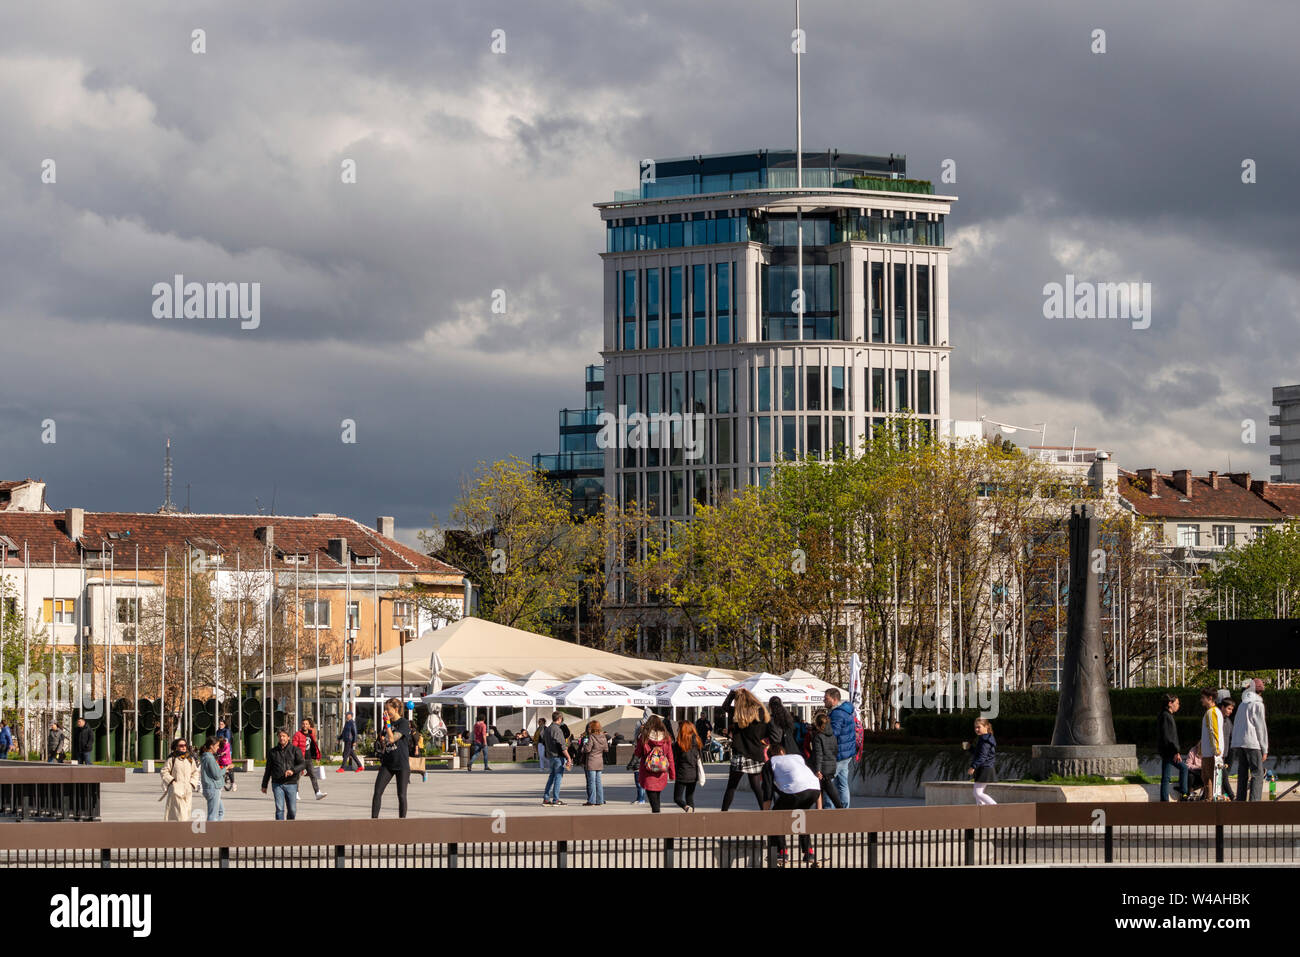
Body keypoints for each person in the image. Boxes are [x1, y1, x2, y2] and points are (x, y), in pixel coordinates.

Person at [768, 741, 822, 866]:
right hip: (814, 791)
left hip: (796, 791)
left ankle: (782, 852)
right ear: (782, 751)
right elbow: (812, 778)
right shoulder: (798, 758)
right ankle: (809, 853)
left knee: (776, 817)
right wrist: (820, 808)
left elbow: (767, 791)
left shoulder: (771, 762)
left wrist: (766, 813)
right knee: (800, 816)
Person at [721, 689, 771, 812]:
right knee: (756, 786)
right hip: (756, 753)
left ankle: (724, 812)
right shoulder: (761, 712)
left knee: (731, 786)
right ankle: (764, 810)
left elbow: (725, 707)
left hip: (741, 754)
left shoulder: (738, 713)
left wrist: (731, 695)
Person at [371, 698, 412, 819]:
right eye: (385, 709)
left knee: (401, 795)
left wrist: (387, 724)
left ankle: (402, 822)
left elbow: (393, 738)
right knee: (377, 792)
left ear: (396, 709)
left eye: (388, 709)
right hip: (388, 763)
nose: (386, 712)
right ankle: (374, 820)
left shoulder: (404, 723)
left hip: (401, 764)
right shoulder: (386, 724)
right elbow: (385, 740)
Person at [1233, 679, 1269, 801]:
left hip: (1240, 743)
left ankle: (1240, 801)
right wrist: (1264, 748)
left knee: (1242, 774)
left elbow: (1237, 724)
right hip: (1253, 743)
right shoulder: (1258, 704)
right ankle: (1254, 805)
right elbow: (1261, 728)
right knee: (1257, 774)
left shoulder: (1242, 704)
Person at [262, 729, 306, 820]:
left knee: (292, 810)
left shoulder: (295, 750)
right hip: (277, 784)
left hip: (291, 783)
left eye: (284, 736)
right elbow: (268, 769)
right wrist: (264, 785)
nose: (282, 738)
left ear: (288, 737)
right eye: (280, 736)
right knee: (279, 809)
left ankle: (289, 828)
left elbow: (302, 764)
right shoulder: (272, 752)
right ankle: (280, 830)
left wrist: (292, 771)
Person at [635, 715, 676, 813]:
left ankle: (657, 818)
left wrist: (638, 738)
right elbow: (670, 757)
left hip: (648, 772)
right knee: (657, 796)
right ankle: (657, 815)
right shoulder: (666, 738)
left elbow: (638, 753)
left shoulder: (644, 737)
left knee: (653, 799)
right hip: (661, 772)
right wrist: (672, 774)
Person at [824, 688, 856, 808]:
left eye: (826, 699)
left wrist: (820, 731)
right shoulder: (845, 711)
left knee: (828, 782)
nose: (824, 701)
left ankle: (829, 809)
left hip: (839, 753)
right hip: (846, 752)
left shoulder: (837, 713)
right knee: (842, 783)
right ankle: (844, 809)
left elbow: (834, 733)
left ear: (835, 699)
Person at [1157, 694, 1189, 802]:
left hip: (1167, 750)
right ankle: (1184, 793)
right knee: (1183, 768)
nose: (1178, 706)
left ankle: (1164, 799)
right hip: (1169, 751)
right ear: (1170, 703)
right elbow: (1169, 736)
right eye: (1177, 703)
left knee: (1166, 776)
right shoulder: (1166, 716)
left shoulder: (1165, 715)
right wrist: (1176, 751)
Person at [808, 711, 842, 809]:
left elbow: (818, 755)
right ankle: (820, 809)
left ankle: (838, 808)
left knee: (827, 788)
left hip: (822, 767)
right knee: (823, 787)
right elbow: (835, 750)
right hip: (831, 765)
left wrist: (818, 769)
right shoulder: (833, 736)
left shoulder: (818, 737)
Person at [161, 737, 199, 822]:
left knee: (186, 812)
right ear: (176, 747)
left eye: (185, 745)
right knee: (181, 815)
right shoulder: (172, 758)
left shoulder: (190, 758)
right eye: (181, 745)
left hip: (188, 790)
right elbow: (164, 771)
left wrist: (192, 783)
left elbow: (195, 772)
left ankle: (180, 831)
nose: (184, 747)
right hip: (176, 790)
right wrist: (172, 782)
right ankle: (183, 831)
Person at [292, 719, 327, 801]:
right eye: (303, 724)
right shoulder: (297, 734)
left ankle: (317, 793)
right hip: (300, 760)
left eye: (306, 724)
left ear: (309, 726)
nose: (304, 725)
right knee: (297, 777)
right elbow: (294, 747)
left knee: (313, 776)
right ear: (301, 725)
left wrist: (317, 757)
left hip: (309, 759)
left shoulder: (311, 734)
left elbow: (314, 747)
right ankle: (295, 793)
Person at [672, 720, 703, 812]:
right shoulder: (697, 742)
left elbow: (674, 758)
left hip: (682, 774)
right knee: (690, 797)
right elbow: (700, 758)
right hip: (693, 774)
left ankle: (686, 807)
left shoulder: (679, 744)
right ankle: (692, 815)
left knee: (677, 798)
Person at [1199, 688, 1225, 802]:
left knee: (1209, 778)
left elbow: (1213, 731)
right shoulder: (1211, 712)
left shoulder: (1212, 712)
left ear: (1210, 698)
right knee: (1207, 778)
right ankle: (1208, 799)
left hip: (1211, 753)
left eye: (1203, 698)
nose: (1201, 700)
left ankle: (1209, 801)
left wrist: (1216, 749)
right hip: (1208, 751)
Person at [541, 710, 570, 806]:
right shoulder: (557, 729)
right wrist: (568, 757)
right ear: (560, 719)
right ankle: (556, 799)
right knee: (558, 777)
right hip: (558, 756)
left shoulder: (547, 729)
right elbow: (562, 745)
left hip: (550, 756)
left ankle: (546, 798)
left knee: (551, 777)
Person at [579, 719, 609, 806]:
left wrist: (583, 747)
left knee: (591, 781)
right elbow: (606, 749)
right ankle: (600, 800)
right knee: (598, 782)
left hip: (591, 761)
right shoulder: (603, 736)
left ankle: (591, 801)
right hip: (599, 761)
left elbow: (587, 749)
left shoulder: (591, 736)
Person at [969, 718, 997, 805]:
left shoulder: (985, 741)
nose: (976, 729)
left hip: (985, 769)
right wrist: (969, 748)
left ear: (986, 727)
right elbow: (979, 753)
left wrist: (973, 767)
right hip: (984, 768)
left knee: (977, 793)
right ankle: (981, 814)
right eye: (975, 727)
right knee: (977, 794)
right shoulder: (983, 739)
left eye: (978, 727)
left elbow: (982, 757)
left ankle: (997, 808)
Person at [199, 737, 225, 821]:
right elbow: (216, 774)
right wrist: (226, 768)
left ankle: (217, 830)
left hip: (210, 788)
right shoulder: (209, 758)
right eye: (217, 746)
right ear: (211, 746)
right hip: (213, 788)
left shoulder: (205, 756)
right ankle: (212, 832)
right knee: (213, 815)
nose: (218, 748)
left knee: (220, 811)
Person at [1219, 698, 1237, 800]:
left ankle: (1225, 797)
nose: (1230, 711)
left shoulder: (1228, 721)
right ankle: (1232, 796)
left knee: (1222, 778)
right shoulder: (1219, 719)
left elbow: (1232, 737)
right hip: (1219, 755)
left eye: (1232, 709)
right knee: (1224, 777)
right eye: (1229, 709)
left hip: (1226, 754)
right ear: (1222, 707)